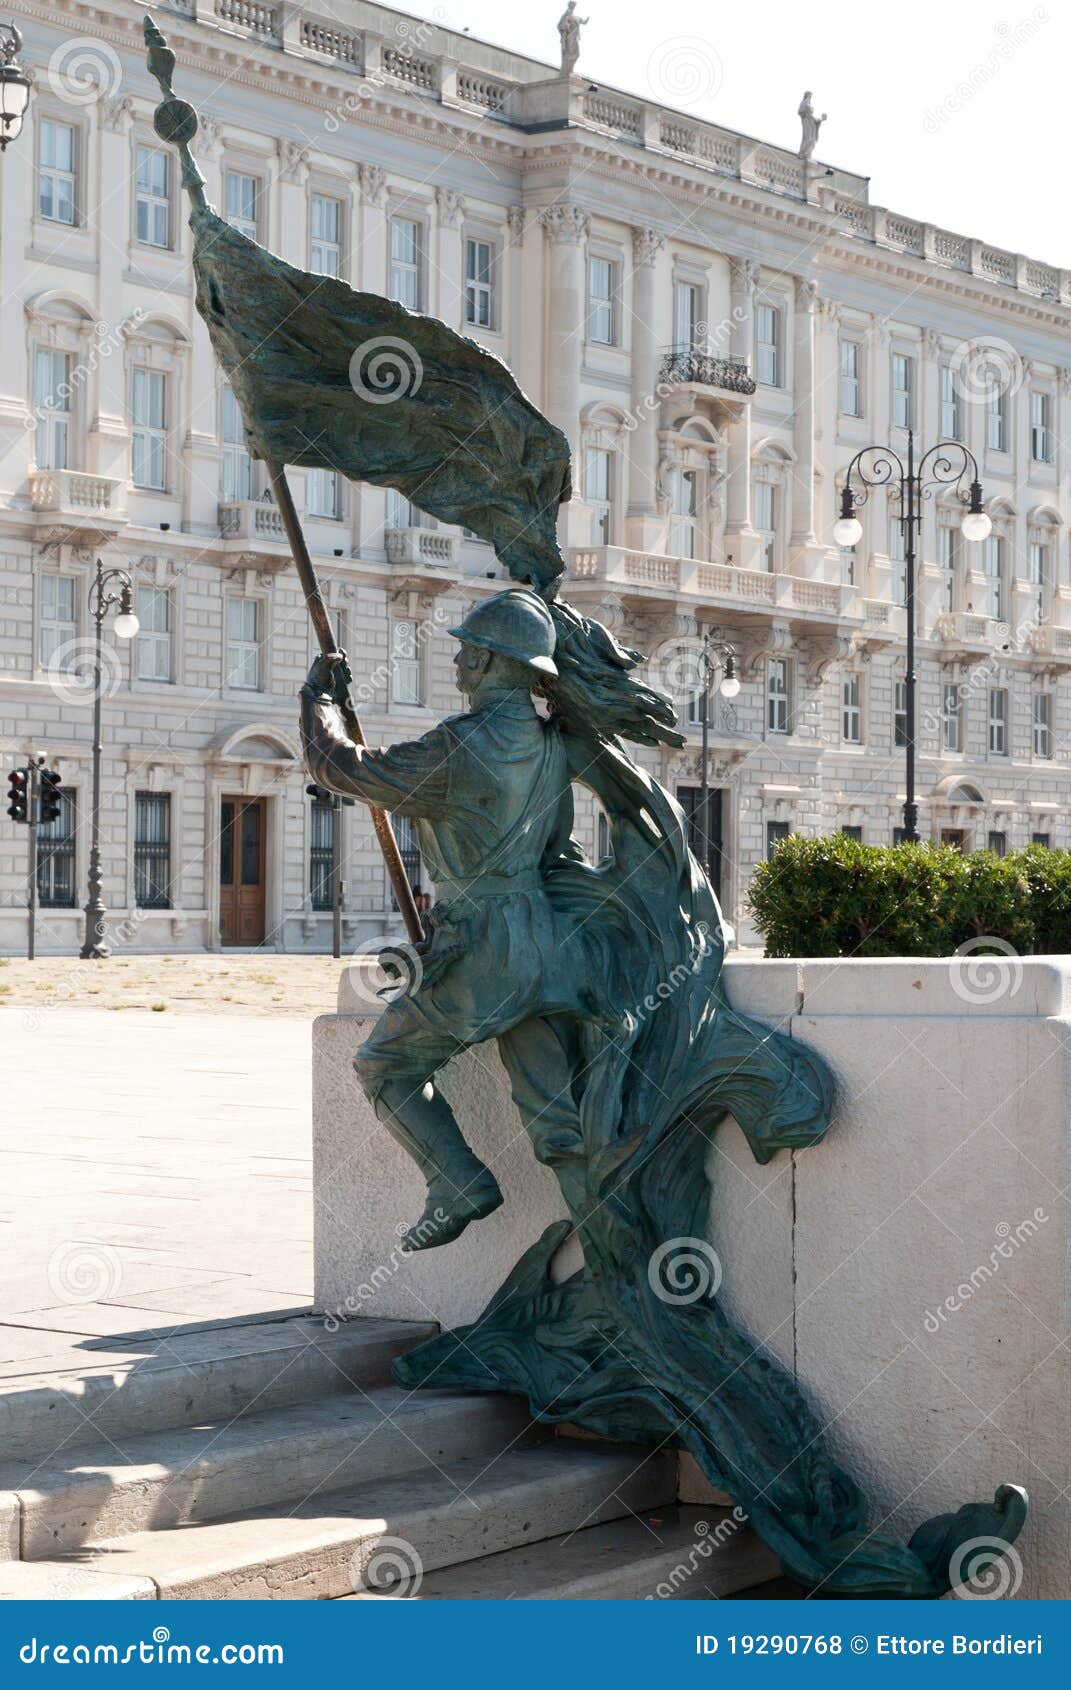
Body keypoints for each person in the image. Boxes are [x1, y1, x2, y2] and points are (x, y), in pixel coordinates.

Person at [301, 588, 579, 1252]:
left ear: (489, 662)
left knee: (385, 1065)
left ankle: (457, 1184)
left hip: (479, 947)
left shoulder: (459, 747)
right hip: (545, 944)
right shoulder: (552, 749)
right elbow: (558, 848)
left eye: (464, 652)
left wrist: (319, 703)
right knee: (558, 1125)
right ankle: (612, 1241)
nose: (455, 664)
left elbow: (342, 768)